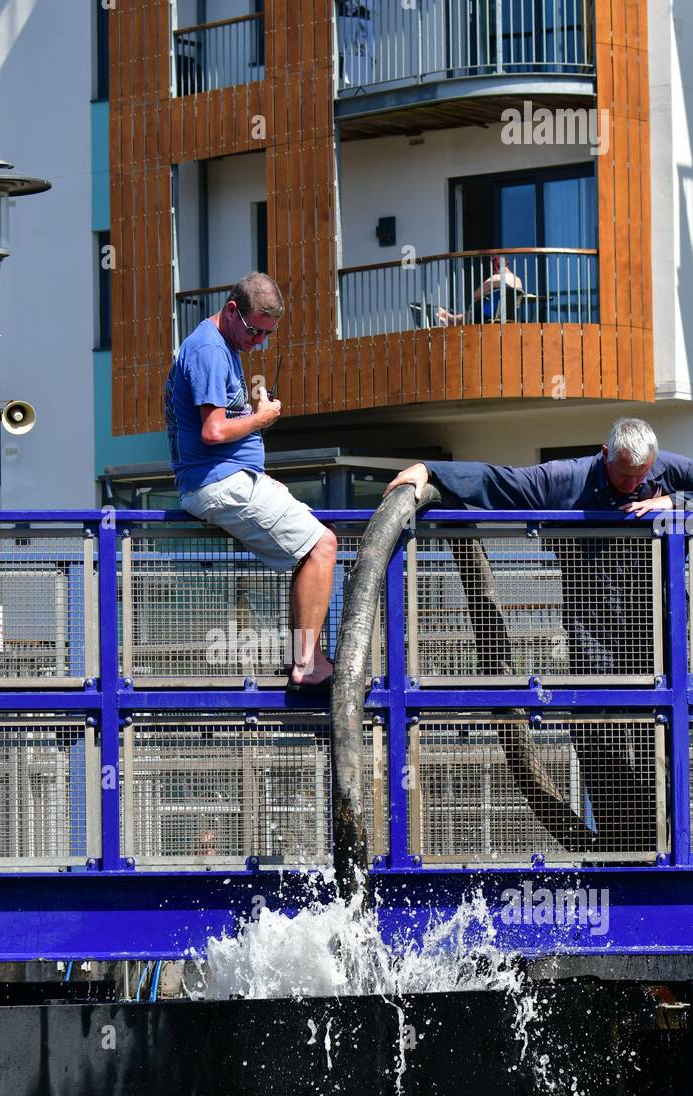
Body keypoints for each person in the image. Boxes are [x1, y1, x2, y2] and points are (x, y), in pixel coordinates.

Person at [383, 419, 693, 855]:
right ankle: (621, 849)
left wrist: (677, 502)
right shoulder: (565, 479)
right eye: (624, 475)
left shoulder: (667, 471)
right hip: (594, 642)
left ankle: (665, 848)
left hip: (657, 640)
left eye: (640, 476)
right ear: (605, 454)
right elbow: (500, 482)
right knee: (597, 737)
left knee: (661, 741)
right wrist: (429, 470)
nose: (632, 485)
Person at [166, 272, 336, 689]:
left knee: (314, 541)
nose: (258, 342)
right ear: (231, 310)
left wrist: (258, 474)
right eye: (254, 331)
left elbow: (223, 428)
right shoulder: (209, 349)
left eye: (267, 334)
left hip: (229, 478)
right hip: (216, 484)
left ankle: (300, 658)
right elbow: (213, 432)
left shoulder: (224, 343)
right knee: (323, 545)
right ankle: (307, 664)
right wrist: (262, 418)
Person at [436, 255, 525, 326]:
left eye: (492, 269)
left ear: (496, 267)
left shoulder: (497, 278)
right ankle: (453, 319)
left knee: (473, 313)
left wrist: (487, 292)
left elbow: (475, 295)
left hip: (492, 316)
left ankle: (452, 319)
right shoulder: (518, 280)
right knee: (473, 314)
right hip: (511, 317)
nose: (493, 272)